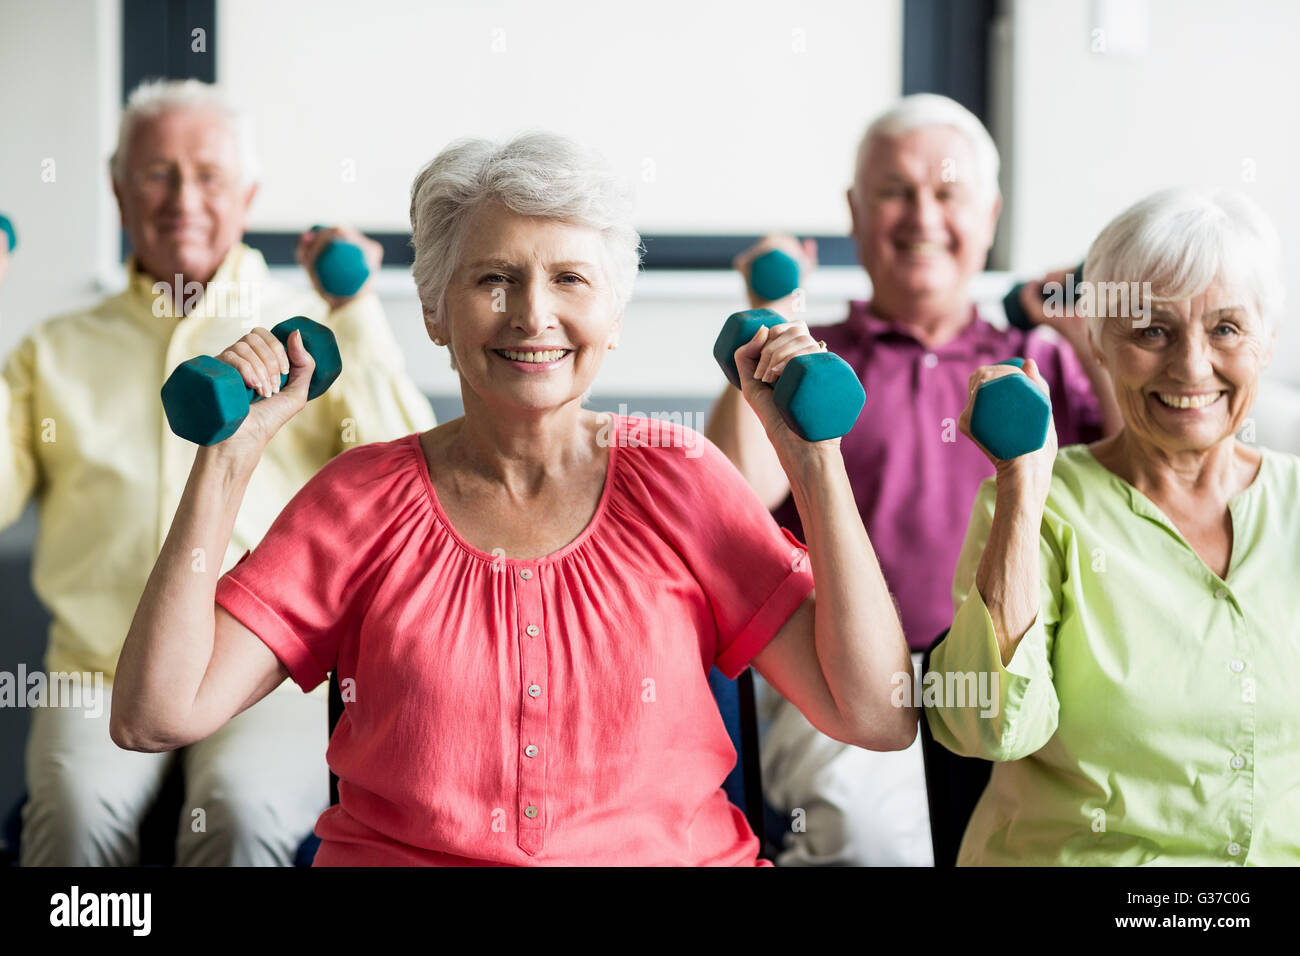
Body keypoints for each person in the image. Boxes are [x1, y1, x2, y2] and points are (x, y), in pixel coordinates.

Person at [110, 131, 917, 866]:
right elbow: (156, 713)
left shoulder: (683, 475)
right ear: (433, 310)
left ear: (613, 313)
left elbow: (876, 716)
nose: (533, 314)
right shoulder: (356, 500)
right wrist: (226, 463)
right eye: (494, 279)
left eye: (570, 278)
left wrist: (816, 466)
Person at [0, 78, 435, 866]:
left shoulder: (309, 335)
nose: (181, 198)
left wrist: (357, 309)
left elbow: (421, 485)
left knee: (238, 814)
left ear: (248, 194)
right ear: (117, 189)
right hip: (97, 666)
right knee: (68, 823)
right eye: (157, 173)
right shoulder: (51, 349)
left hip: (267, 661)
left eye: (207, 175)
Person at [706, 93, 1121, 866]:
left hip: (1021, 662)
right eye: (894, 192)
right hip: (846, 669)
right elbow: (730, 489)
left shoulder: (1041, 363)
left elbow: (1141, 484)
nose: (921, 215)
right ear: (856, 213)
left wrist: (1087, 333)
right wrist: (766, 313)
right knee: (865, 845)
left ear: (989, 214)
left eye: (946, 191)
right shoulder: (812, 356)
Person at [930, 186, 1300, 865]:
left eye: (1225, 329)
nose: (1191, 366)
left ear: (1268, 340)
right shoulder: (1039, 505)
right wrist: (1022, 484)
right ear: (1097, 343)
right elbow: (984, 728)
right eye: (1152, 331)